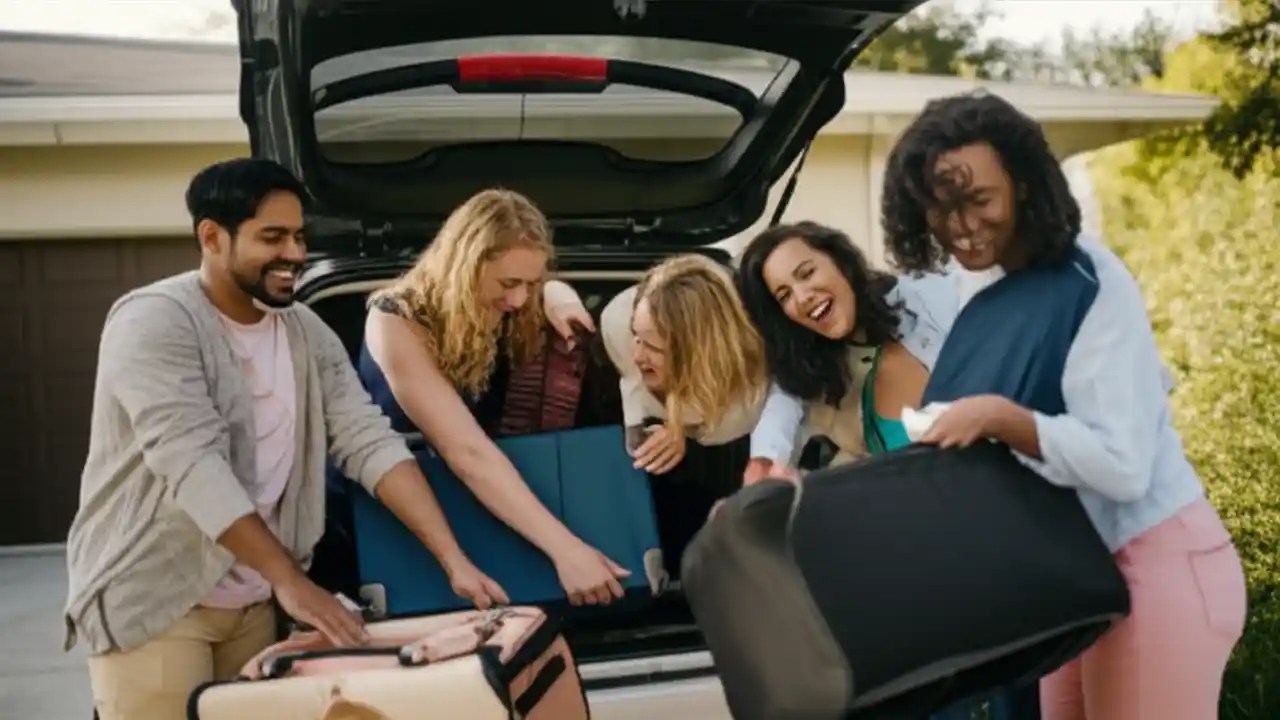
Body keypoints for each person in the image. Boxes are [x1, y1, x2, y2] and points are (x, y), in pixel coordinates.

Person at [63, 158, 503, 720]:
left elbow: (368, 441)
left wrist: (452, 558)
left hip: (252, 604)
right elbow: (192, 463)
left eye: (299, 236)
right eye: (273, 237)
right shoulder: (153, 322)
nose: (295, 253)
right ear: (212, 237)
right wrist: (291, 582)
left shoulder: (305, 331)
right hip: (158, 600)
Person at [879, 90, 1248, 720]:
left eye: (978, 200)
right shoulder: (985, 289)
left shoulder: (1090, 281)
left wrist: (1002, 419)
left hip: (1156, 564)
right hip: (1075, 580)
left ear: (1022, 184)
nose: (962, 226)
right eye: (940, 209)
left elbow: (1124, 465)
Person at [359, 187, 631, 607]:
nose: (520, 299)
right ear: (464, 265)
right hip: (406, 519)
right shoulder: (395, 319)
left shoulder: (514, 307)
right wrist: (568, 551)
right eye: (508, 283)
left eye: (532, 283)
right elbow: (466, 451)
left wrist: (558, 294)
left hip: (493, 509)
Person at [736, 220, 957, 481]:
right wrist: (765, 459)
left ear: (841, 263)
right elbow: (784, 401)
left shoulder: (928, 300)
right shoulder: (826, 380)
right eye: (784, 295)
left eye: (806, 273)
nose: (802, 296)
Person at [598, 253, 771, 575]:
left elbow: (720, 428)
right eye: (636, 336)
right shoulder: (617, 322)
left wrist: (681, 428)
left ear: (697, 351)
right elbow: (633, 379)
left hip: (719, 443)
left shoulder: (750, 396)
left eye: (651, 346)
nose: (637, 353)